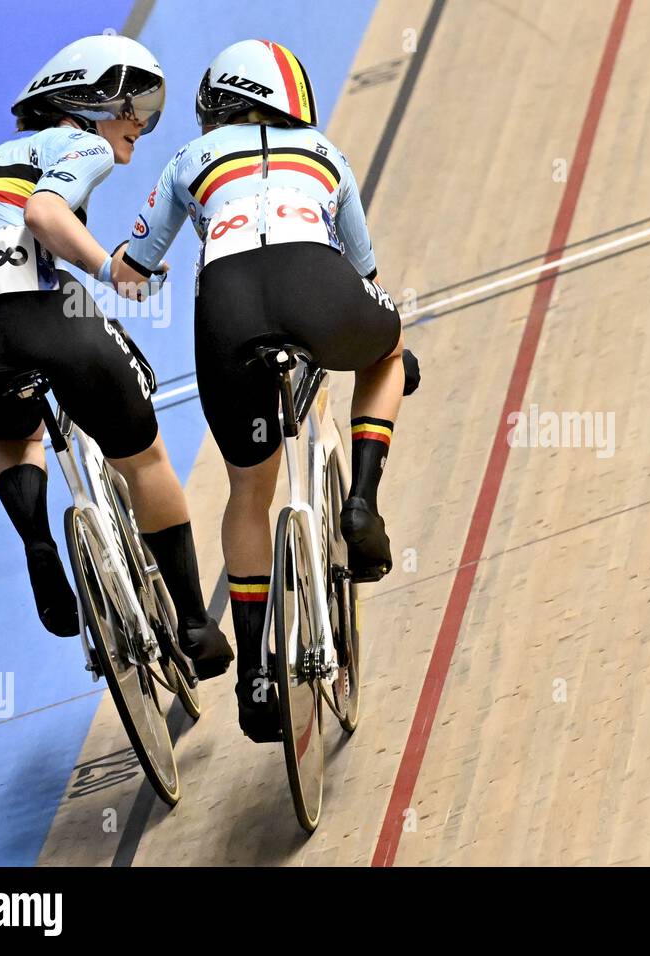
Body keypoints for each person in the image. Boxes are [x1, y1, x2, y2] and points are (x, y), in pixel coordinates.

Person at [116, 39, 407, 740]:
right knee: (389, 351)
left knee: (249, 491)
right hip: (321, 287)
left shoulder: (192, 159)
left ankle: (254, 677)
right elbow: (365, 269)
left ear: (221, 105)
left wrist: (124, 267)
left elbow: (138, 265)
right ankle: (362, 506)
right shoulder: (326, 153)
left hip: (231, 309)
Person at [0, 35, 232, 679]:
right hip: (43, 316)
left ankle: (39, 543)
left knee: (13, 435)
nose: (144, 124)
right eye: (138, 105)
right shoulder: (83, 142)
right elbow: (44, 213)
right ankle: (192, 621)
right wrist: (109, 270)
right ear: (90, 100)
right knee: (145, 454)